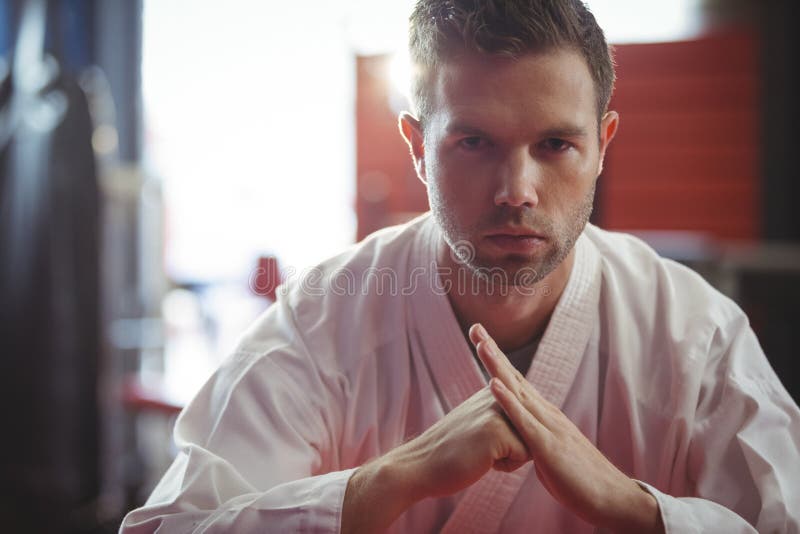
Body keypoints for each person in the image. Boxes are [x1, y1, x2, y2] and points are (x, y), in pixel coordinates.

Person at [120, 1, 800, 532]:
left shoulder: (693, 333)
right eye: (474, 142)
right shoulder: (323, 318)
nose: (516, 191)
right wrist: (390, 481)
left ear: (602, 144)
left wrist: (634, 509)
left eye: (555, 145)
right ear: (418, 147)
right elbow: (171, 525)